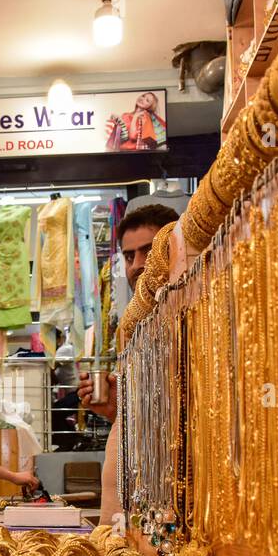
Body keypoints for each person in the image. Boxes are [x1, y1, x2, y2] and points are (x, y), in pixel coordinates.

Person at [78, 204, 181, 524]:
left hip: (169, 507)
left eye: (147, 251)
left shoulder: (196, 314)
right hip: (126, 507)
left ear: (175, 246)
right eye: (128, 256)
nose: (136, 265)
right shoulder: (135, 324)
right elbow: (141, 417)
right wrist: (115, 407)